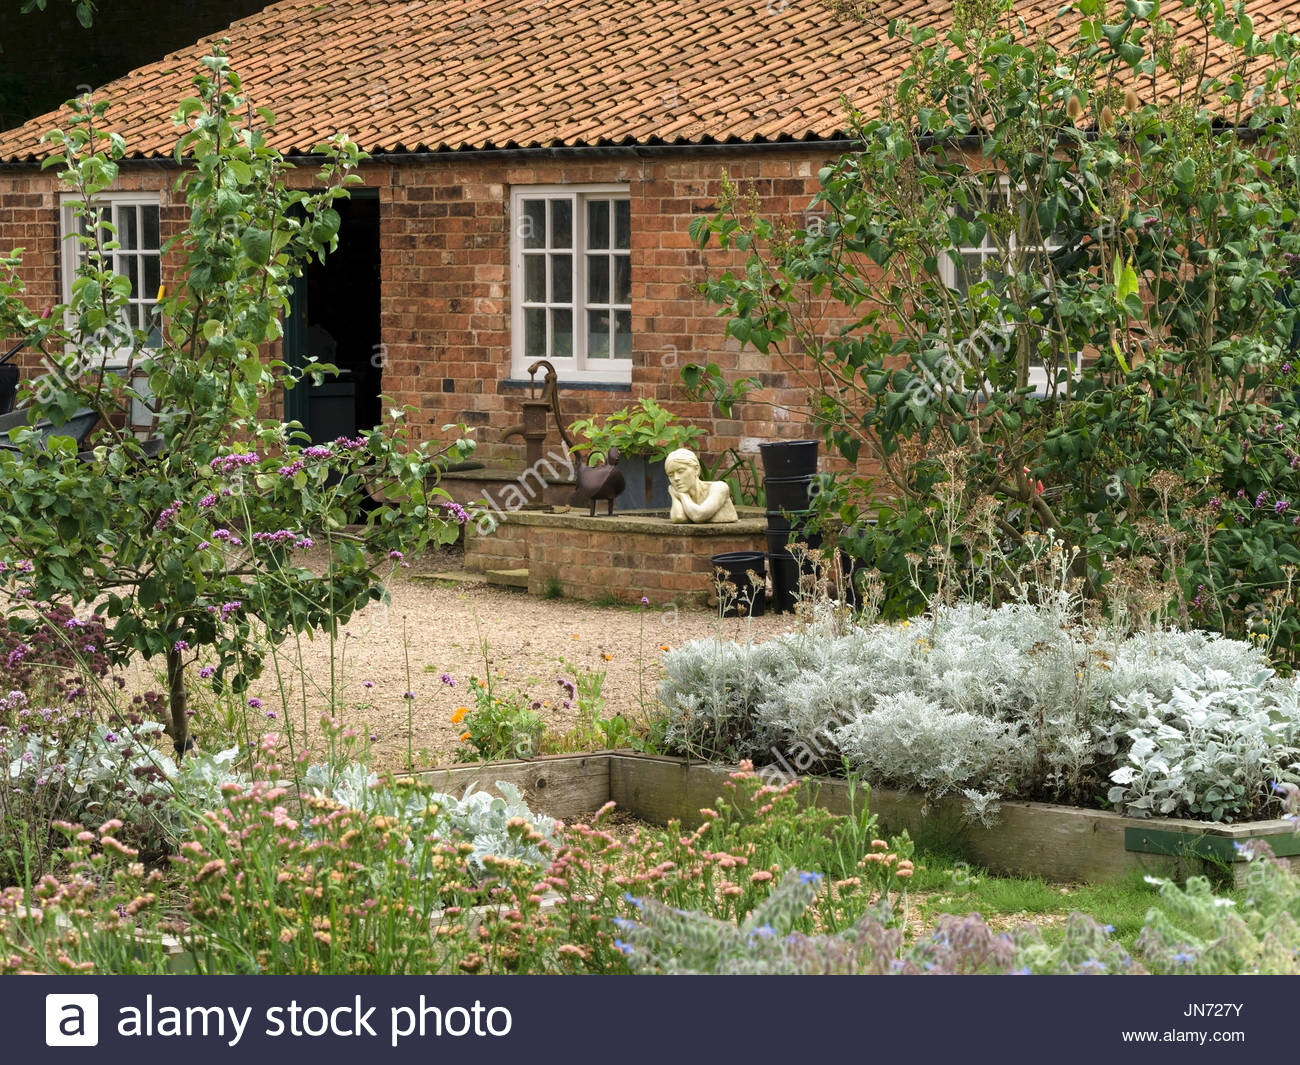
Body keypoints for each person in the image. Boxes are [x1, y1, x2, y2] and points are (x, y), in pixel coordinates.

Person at [665, 448, 738, 524]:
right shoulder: (681, 493)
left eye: (681, 471)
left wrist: (682, 496)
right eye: (671, 475)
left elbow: (698, 516)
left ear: (696, 470)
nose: (676, 478)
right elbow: (679, 517)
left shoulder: (719, 487)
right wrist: (675, 495)